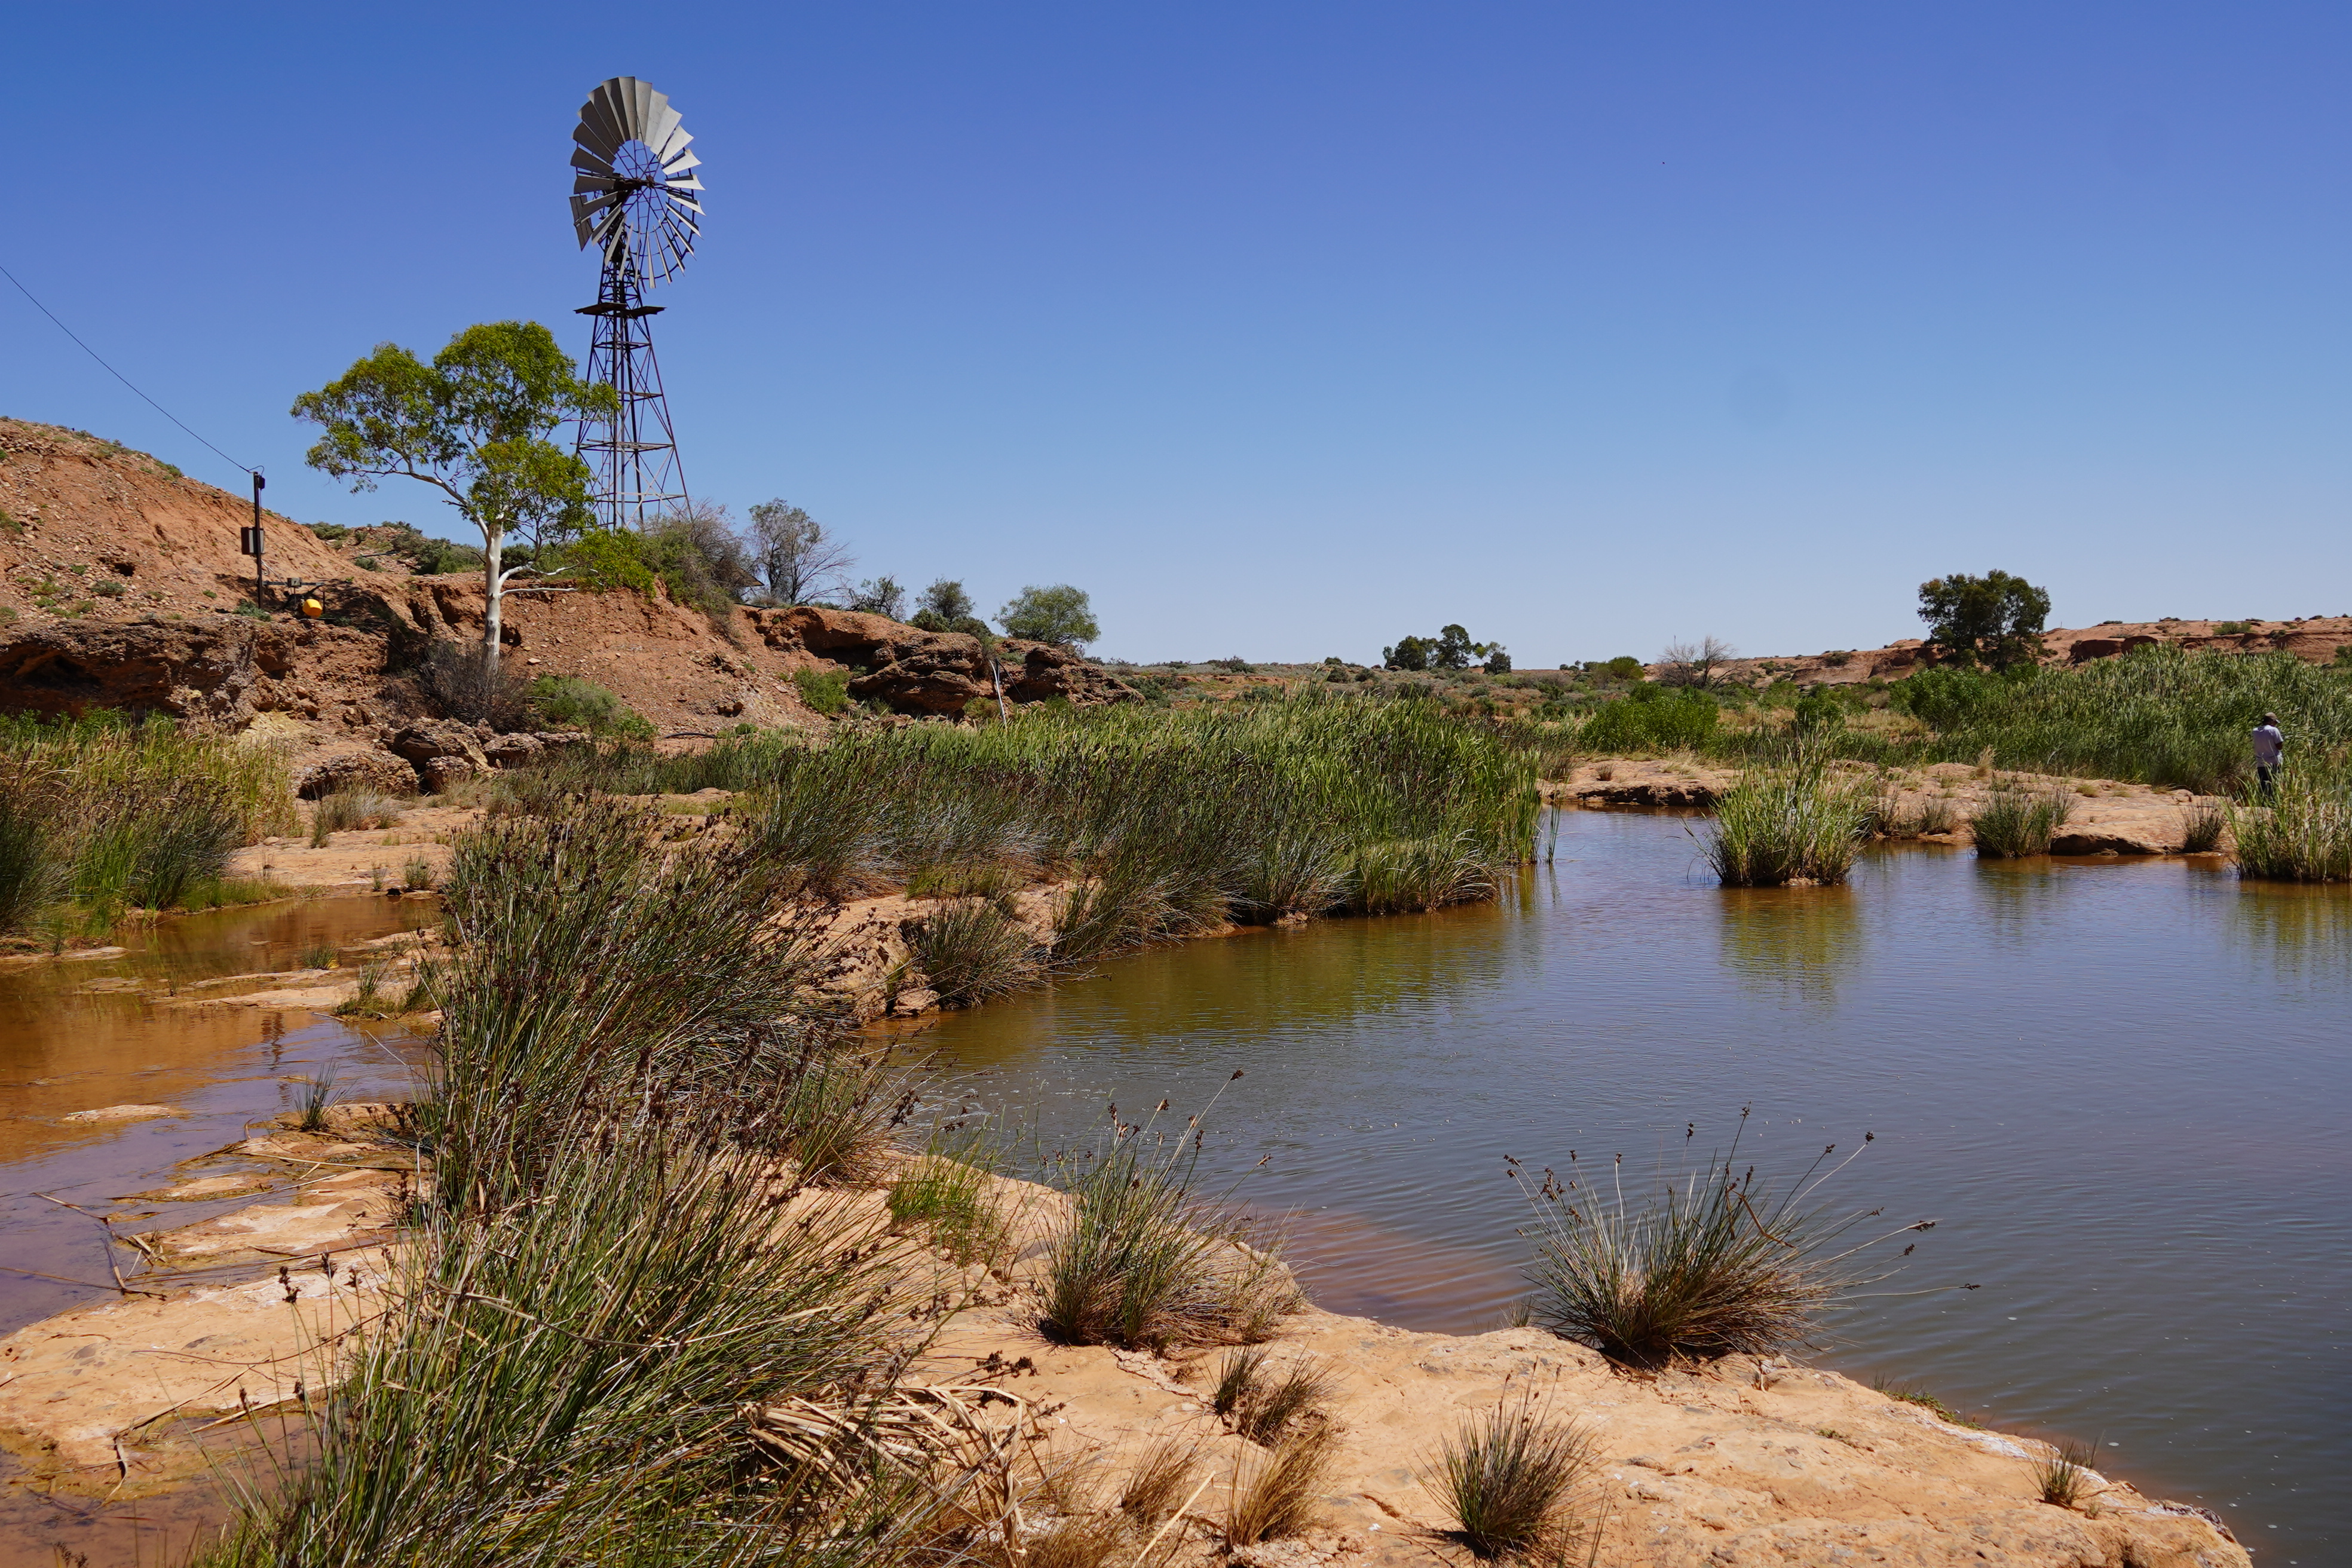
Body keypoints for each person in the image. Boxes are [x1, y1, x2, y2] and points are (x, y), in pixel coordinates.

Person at [2252, 711, 2284, 800]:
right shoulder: (2273, 730)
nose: (2275, 725)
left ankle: (2264, 802)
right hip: (2274, 761)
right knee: (2274, 783)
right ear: (2271, 721)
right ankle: (2273, 802)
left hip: (2261, 761)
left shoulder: (2255, 731)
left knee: (2264, 783)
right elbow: (2279, 746)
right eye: (2275, 722)